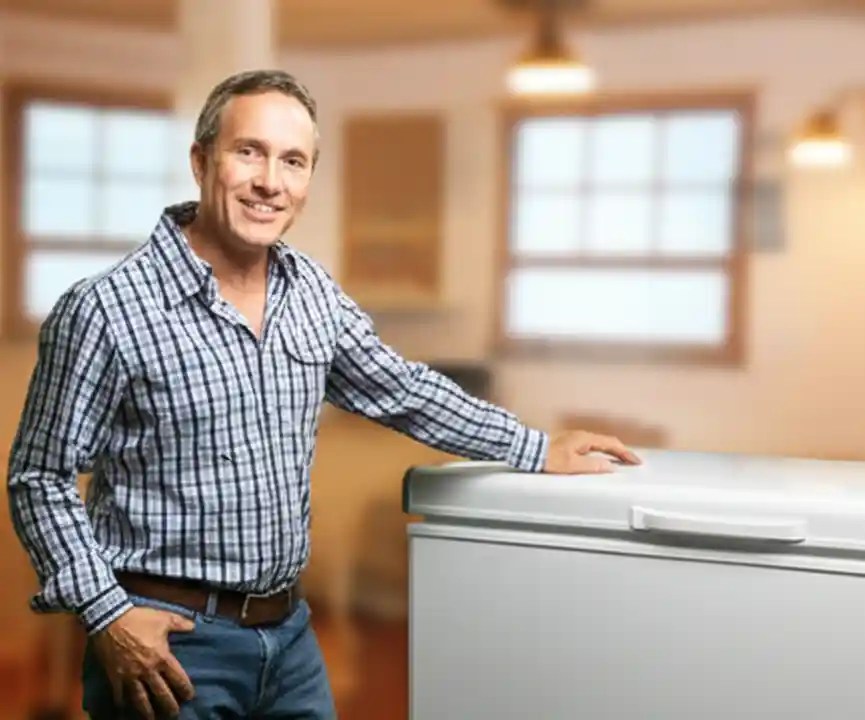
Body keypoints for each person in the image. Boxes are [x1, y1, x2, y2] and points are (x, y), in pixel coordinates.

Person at [6, 68, 641, 720]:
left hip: (289, 640)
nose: (269, 181)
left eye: (293, 161)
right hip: (168, 646)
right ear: (201, 161)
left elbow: (401, 389)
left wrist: (535, 447)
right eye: (248, 152)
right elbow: (37, 477)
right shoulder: (105, 309)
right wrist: (108, 616)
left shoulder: (310, 289)